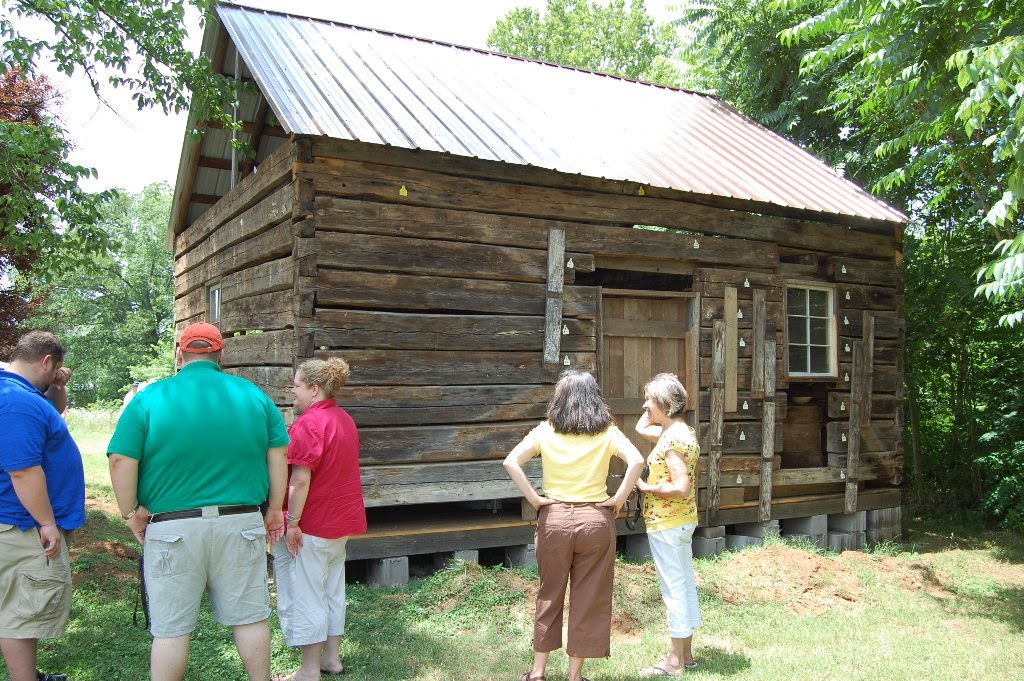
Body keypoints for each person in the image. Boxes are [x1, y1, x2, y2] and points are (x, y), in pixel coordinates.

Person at [107, 322, 289, 681]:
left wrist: (130, 513)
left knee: (171, 629)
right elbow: (278, 455)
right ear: (221, 355)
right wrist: (273, 510)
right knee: (250, 618)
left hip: (172, 526)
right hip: (240, 522)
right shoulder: (253, 396)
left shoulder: (149, 398)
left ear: (180, 352)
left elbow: (120, 460)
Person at [503, 370, 644, 681]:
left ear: (560, 399)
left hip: (554, 520)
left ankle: (538, 673)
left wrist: (536, 499)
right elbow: (636, 461)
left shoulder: (545, 430)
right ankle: (574, 677)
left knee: (549, 592)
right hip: (595, 520)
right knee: (589, 596)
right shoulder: (607, 432)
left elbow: (511, 462)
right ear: (594, 397)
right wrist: (618, 499)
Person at [273, 357, 367, 681]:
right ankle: (331, 659)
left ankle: (309, 670)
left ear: (314, 389)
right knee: (332, 589)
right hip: (340, 522)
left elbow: (300, 480)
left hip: (313, 522)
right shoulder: (345, 420)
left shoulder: (309, 424)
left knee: (308, 591)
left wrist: (294, 522)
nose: (292, 391)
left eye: (297, 385)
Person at [0, 331, 85, 681]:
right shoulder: (16, 401)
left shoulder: (18, 394)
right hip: (23, 525)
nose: (56, 379)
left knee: (19, 607)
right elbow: (23, 470)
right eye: (55, 371)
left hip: (18, 522)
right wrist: (46, 522)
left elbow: (50, 413)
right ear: (46, 361)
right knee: (20, 613)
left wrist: (57, 385)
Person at [634, 373, 702, 677]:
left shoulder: (672, 441)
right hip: (681, 522)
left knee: (673, 590)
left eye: (650, 399)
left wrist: (647, 489)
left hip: (668, 523)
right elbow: (639, 427)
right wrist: (663, 382)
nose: (645, 404)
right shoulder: (678, 432)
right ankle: (685, 655)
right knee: (684, 586)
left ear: (664, 403)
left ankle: (674, 661)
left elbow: (681, 486)